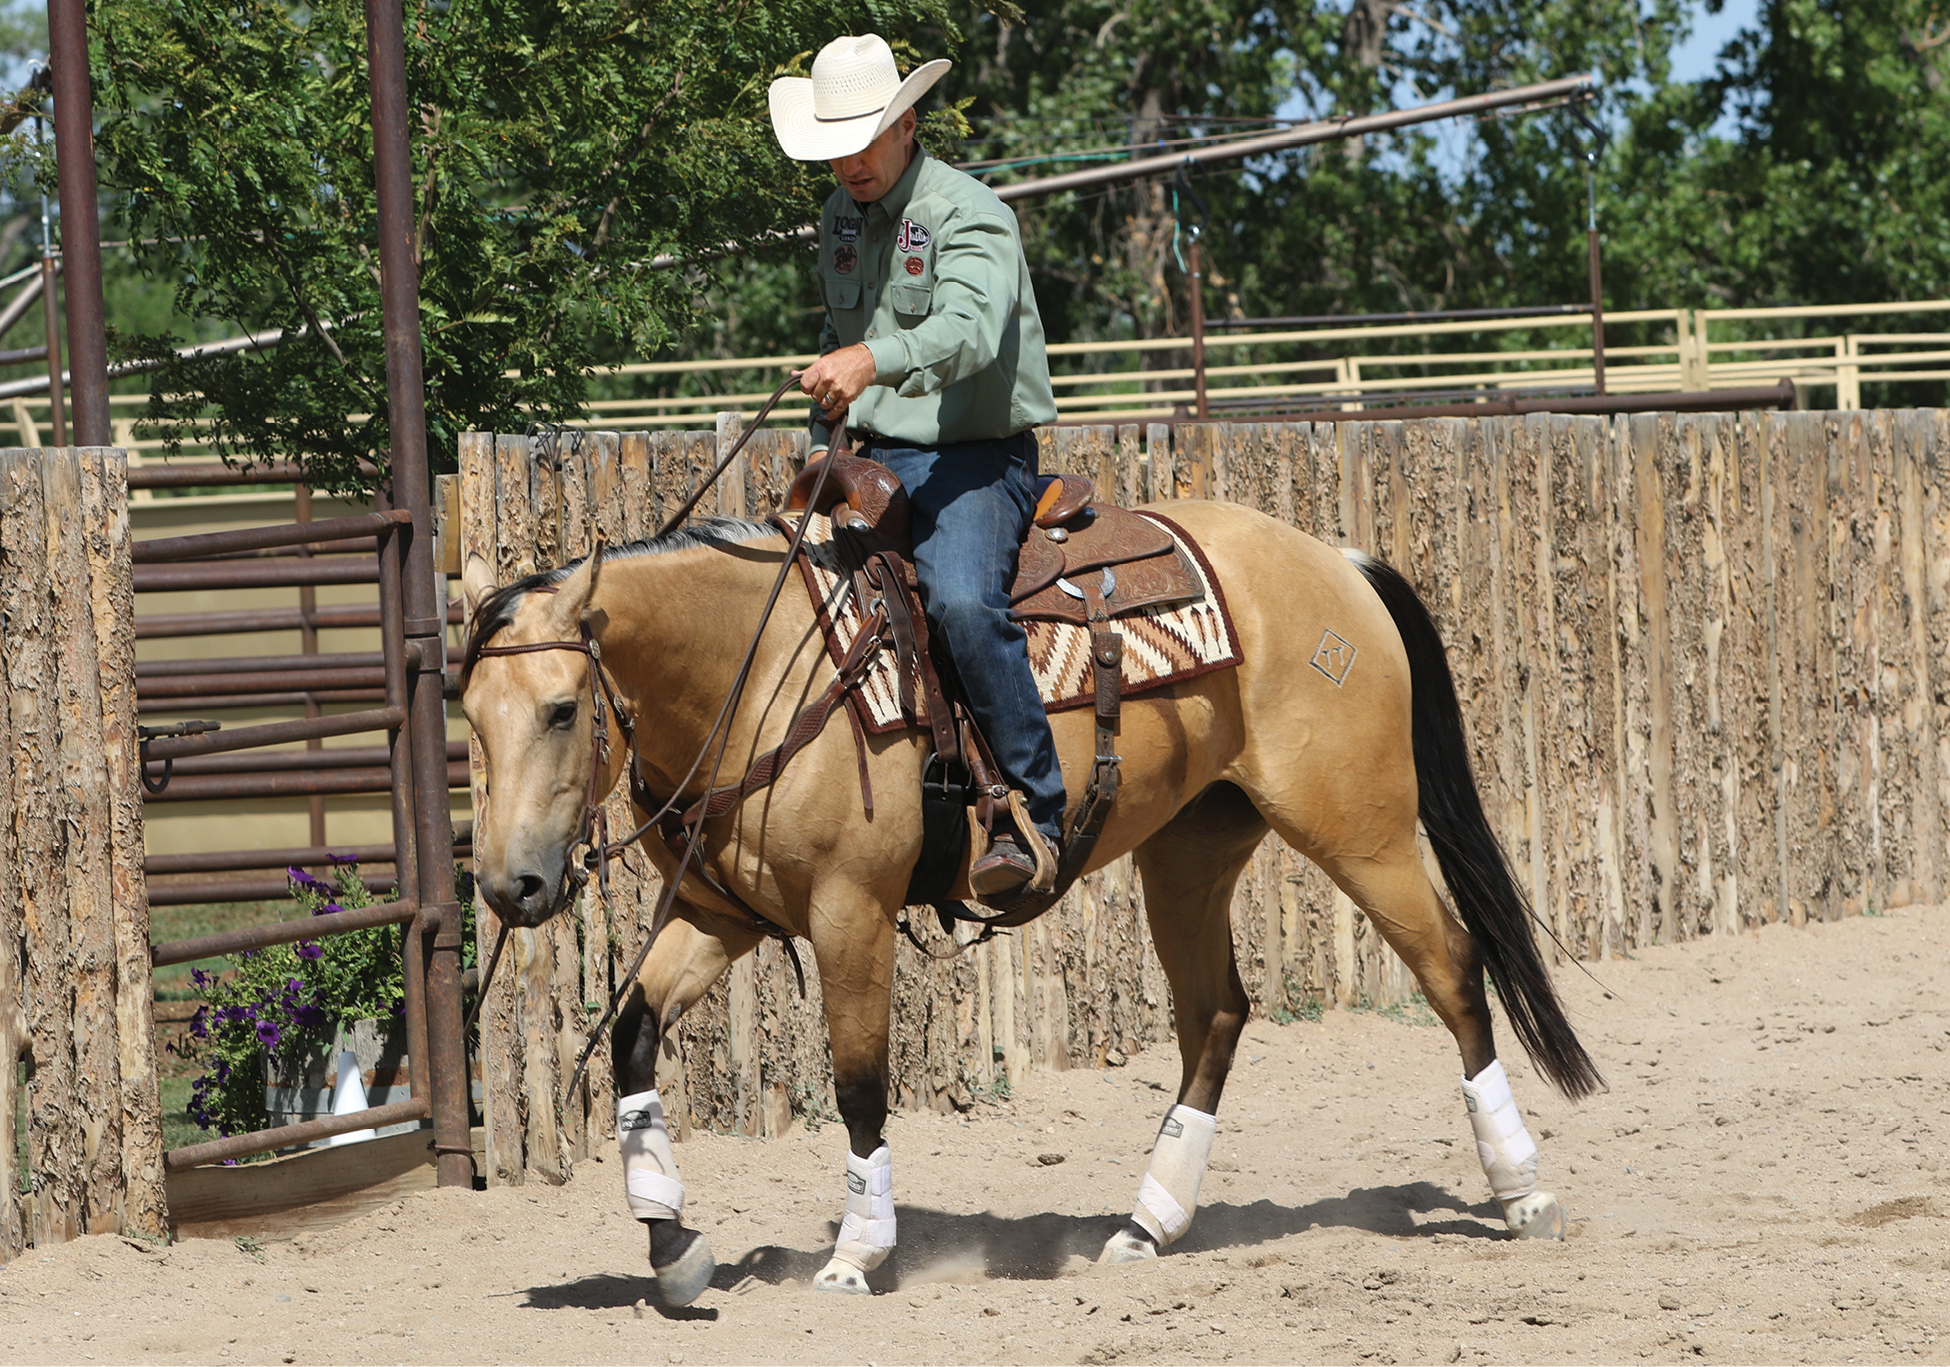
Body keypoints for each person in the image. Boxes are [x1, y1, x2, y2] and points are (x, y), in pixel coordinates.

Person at [769, 33, 1064, 902]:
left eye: (862, 139)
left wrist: (870, 359)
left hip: (974, 458)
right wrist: (829, 415)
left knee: (965, 603)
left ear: (905, 124)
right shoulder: (838, 219)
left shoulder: (971, 213)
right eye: (834, 147)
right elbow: (838, 335)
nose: (848, 162)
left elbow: (970, 334)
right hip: (870, 455)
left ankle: (1034, 812)